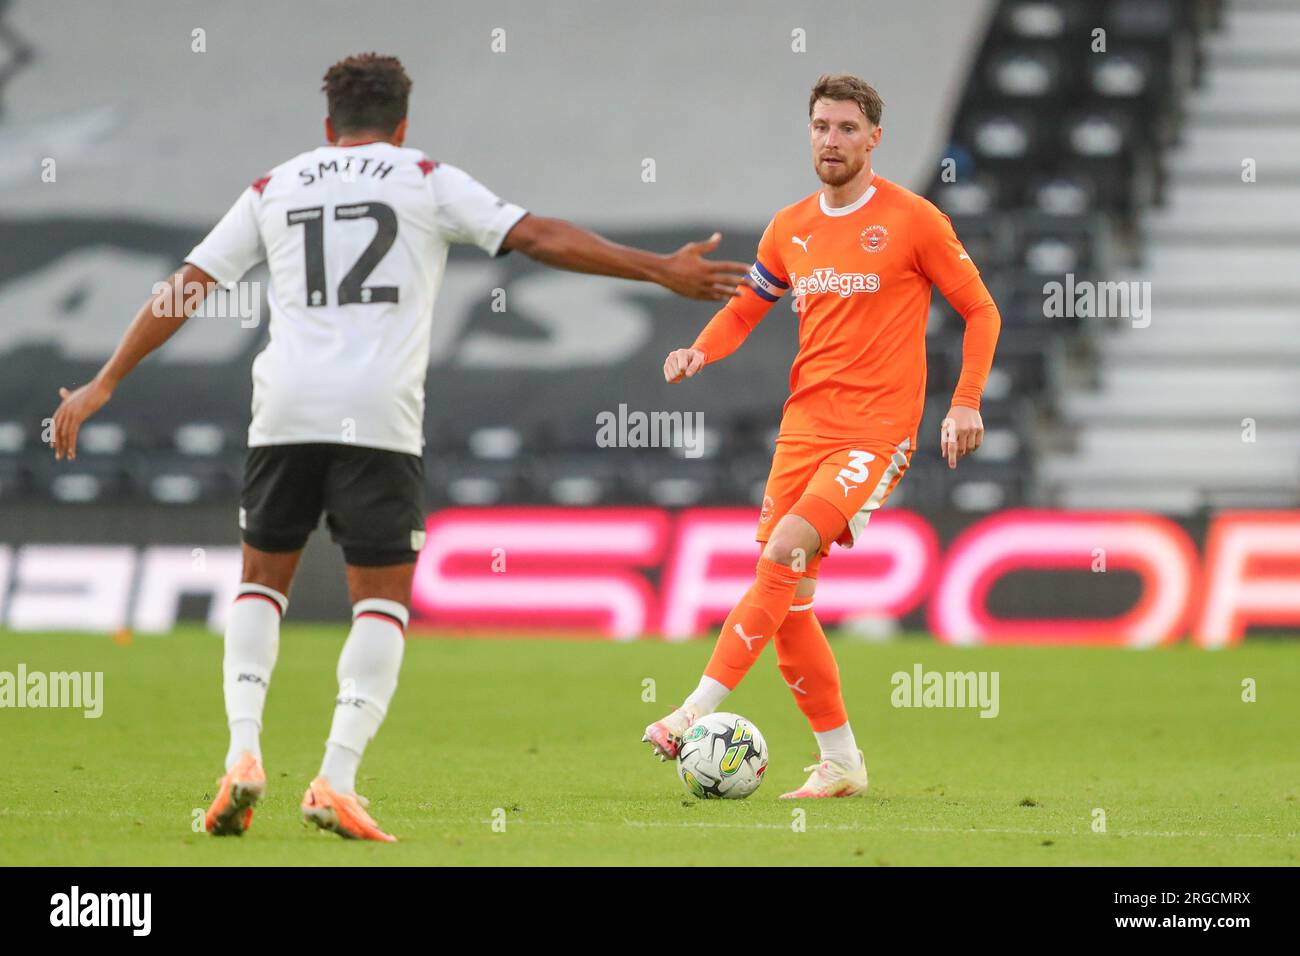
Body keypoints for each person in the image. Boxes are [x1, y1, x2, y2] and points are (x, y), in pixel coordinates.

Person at [50, 52, 750, 841]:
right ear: (402, 121)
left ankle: (243, 756)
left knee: (259, 583)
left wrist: (105, 381)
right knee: (378, 602)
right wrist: (658, 269)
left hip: (283, 409)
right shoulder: (423, 177)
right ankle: (336, 779)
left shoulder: (273, 185)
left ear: (327, 124)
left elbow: (187, 284)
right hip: (377, 416)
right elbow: (538, 234)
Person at [645, 73, 1001, 798]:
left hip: (876, 431)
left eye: (845, 128)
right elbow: (746, 308)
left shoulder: (914, 220)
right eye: (820, 127)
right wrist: (699, 351)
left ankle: (692, 713)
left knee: (781, 553)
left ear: (875, 137)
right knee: (788, 603)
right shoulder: (790, 226)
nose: (830, 141)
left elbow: (982, 311)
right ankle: (841, 763)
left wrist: (965, 403)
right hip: (803, 428)